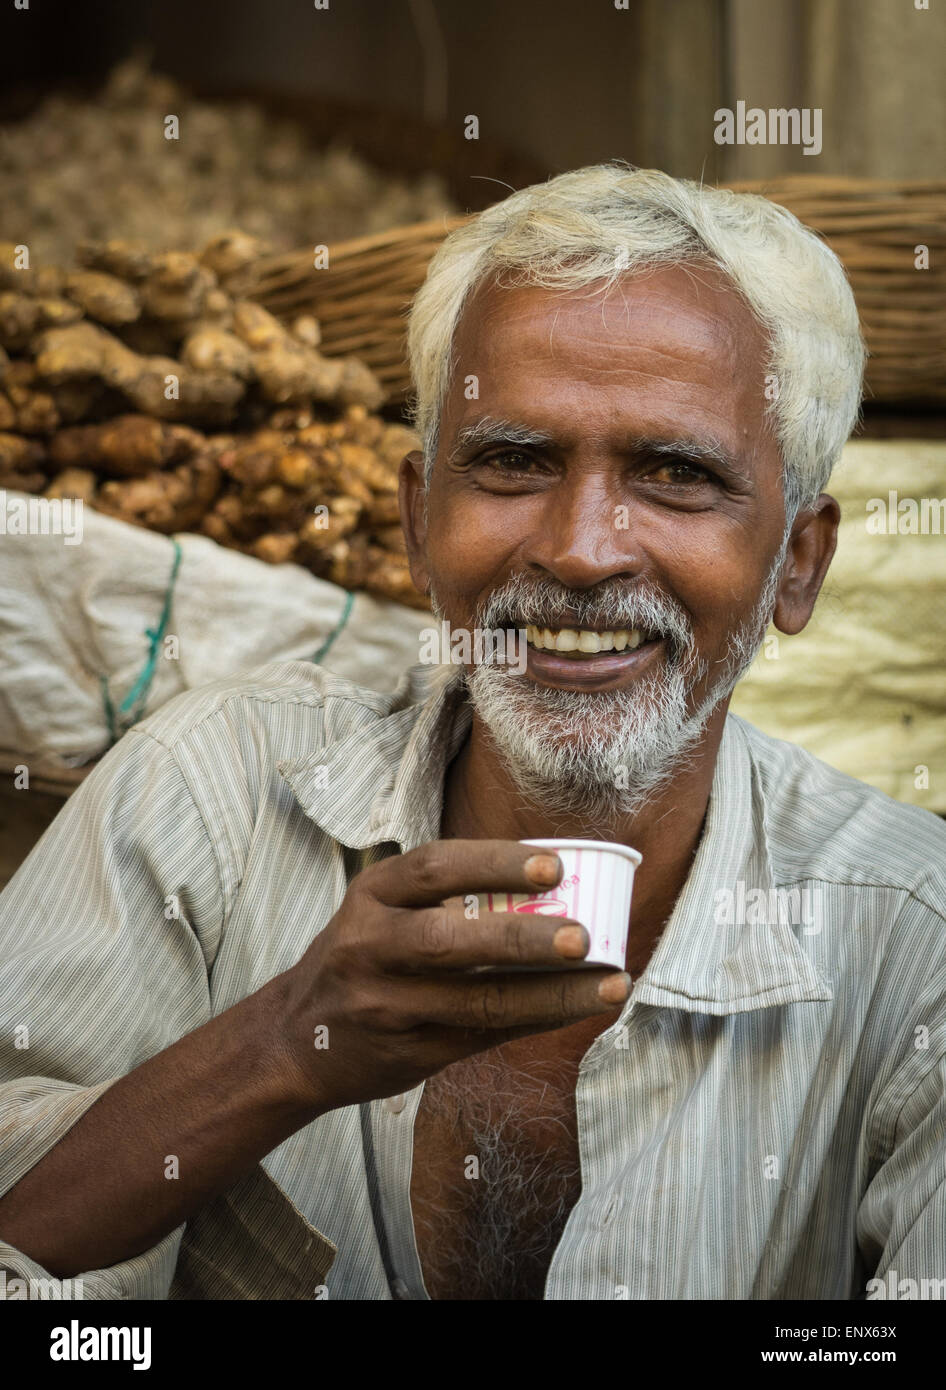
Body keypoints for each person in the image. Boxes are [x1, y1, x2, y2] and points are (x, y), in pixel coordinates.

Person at [1, 163, 944, 1301]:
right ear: (416, 519)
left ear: (797, 562)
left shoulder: (913, 947)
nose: (582, 547)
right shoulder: (203, 800)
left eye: (675, 474)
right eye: (512, 461)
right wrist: (279, 1046)